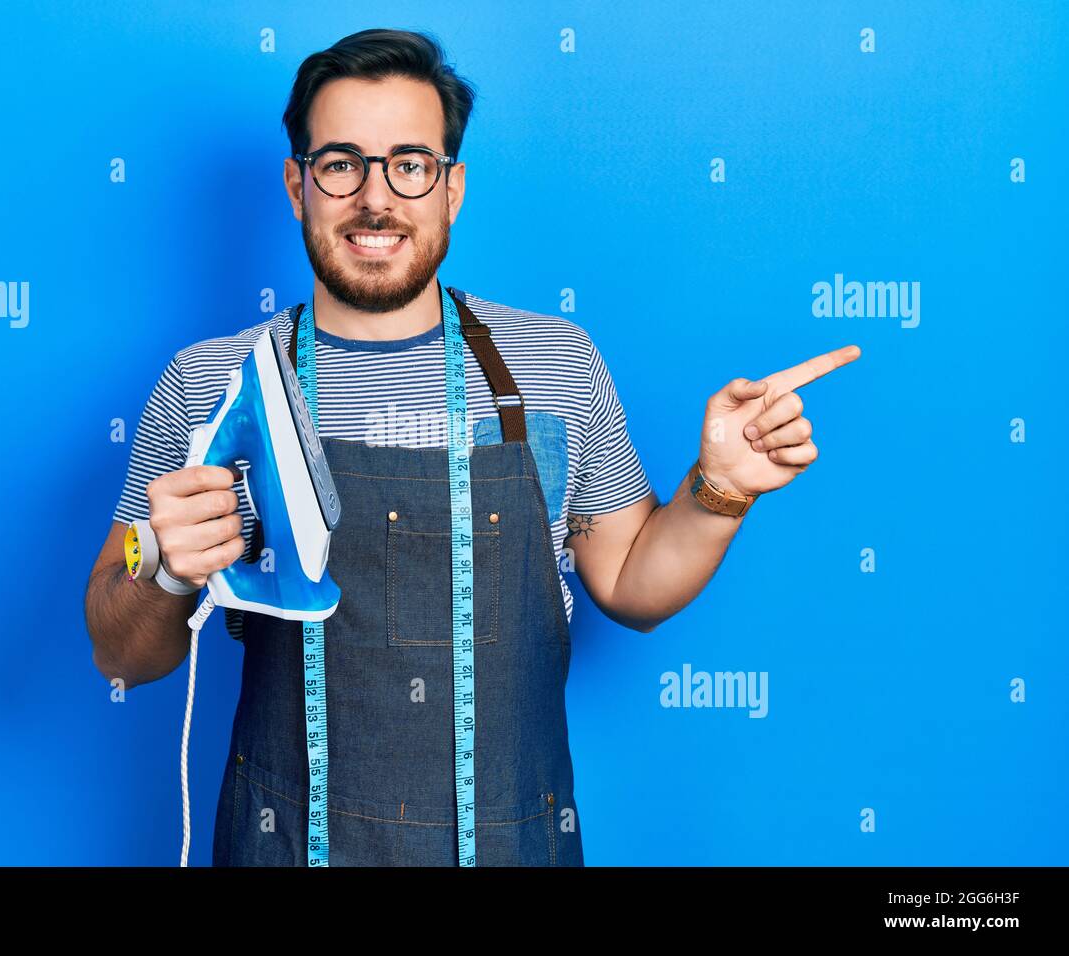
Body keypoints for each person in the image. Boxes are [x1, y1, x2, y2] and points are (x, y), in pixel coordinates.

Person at [83, 28, 859, 866]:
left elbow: (633, 585)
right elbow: (120, 650)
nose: (374, 198)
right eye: (340, 163)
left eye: (409, 164)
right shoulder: (212, 385)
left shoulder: (554, 363)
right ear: (296, 185)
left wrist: (718, 491)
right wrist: (160, 566)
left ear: (451, 189)